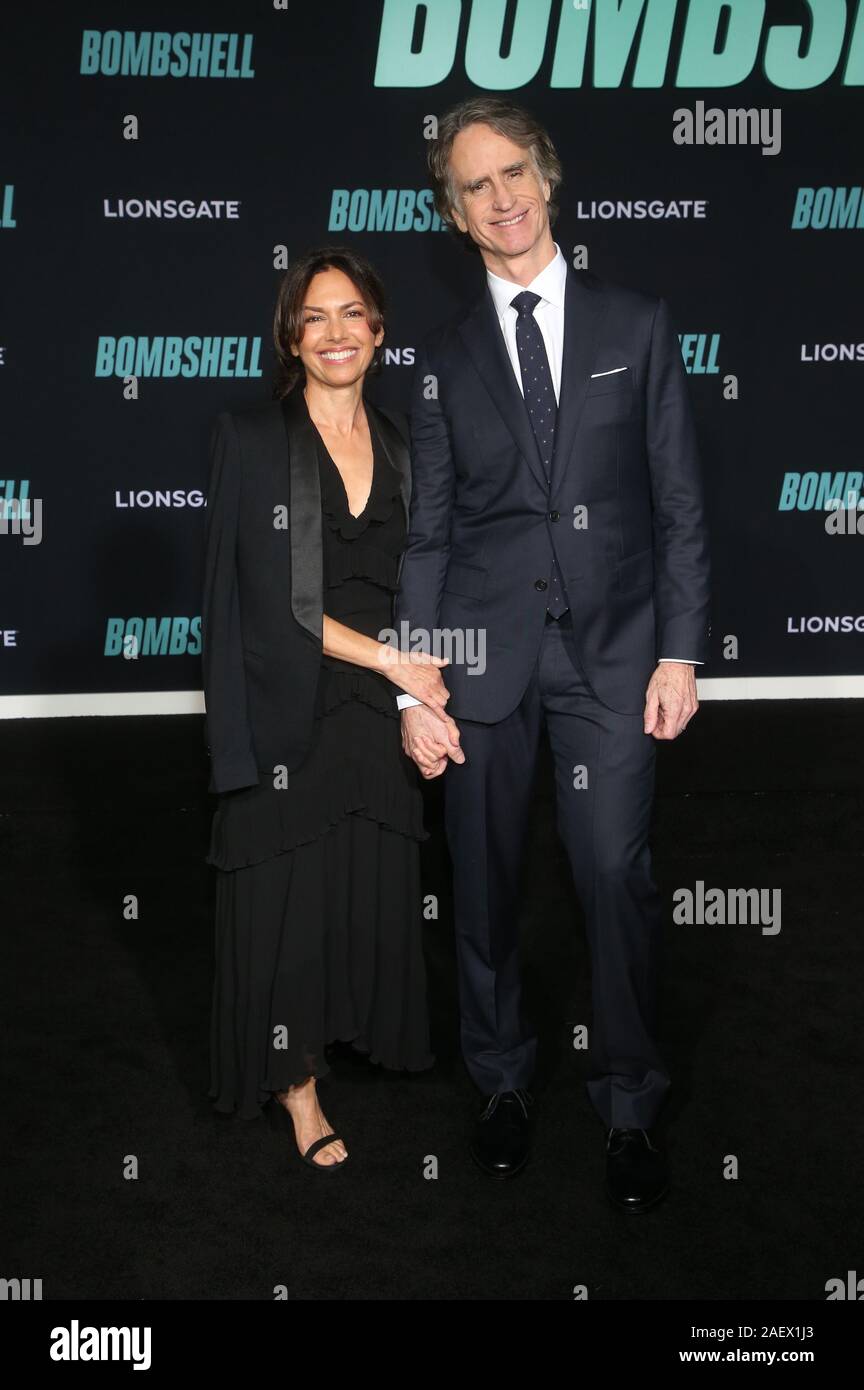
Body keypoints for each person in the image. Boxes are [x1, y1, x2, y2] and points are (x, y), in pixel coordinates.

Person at [396, 98, 711, 1210]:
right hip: (479, 661)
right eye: (477, 185)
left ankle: (628, 1099)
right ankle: (501, 1081)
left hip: (618, 657)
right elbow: (429, 531)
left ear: (548, 177)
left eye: (515, 171)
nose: (504, 196)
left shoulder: (637, 324)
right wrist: (415, 684)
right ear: (455, 213)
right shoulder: (438, 360)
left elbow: (678, 507)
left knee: (614, 874)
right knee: (480, 884)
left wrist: (681, 652)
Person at [201, 247, 453, 1170]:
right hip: (284, 700)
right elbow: (269, 602)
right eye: (316, 317)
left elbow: (423, 587)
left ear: (380, 334)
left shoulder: (403, 441)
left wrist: (418, 700)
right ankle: (295, 1088)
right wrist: (397, 666)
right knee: (287, 900)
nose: (336, 332)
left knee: (356, 886)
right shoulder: (250, 437)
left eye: (354, 315)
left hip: (372, 703)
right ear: (292, 336)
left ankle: (339, 1035)